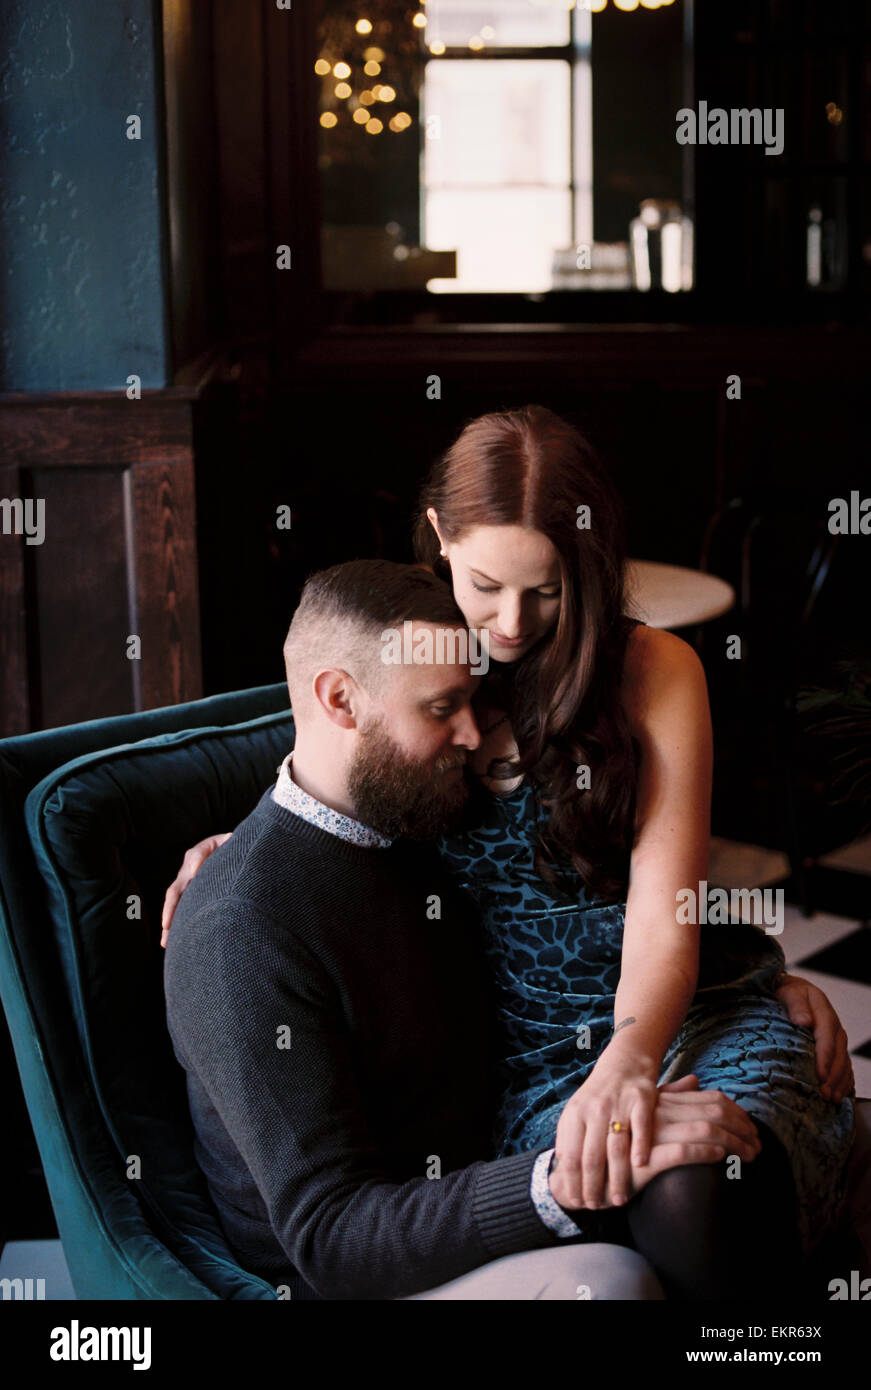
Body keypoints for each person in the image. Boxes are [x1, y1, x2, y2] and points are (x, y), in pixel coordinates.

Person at [164, 407, 855, 1298]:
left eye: (549, 589)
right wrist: (231, 849)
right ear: (442, 537)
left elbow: (663, 917)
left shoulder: (653, 671)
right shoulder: (415, 644)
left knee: (695, 1185)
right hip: (512, 1062)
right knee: (639, 1192)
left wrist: (657, 1045)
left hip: (672, 1016)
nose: (511, 624)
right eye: (485, 584)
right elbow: (332, 754)